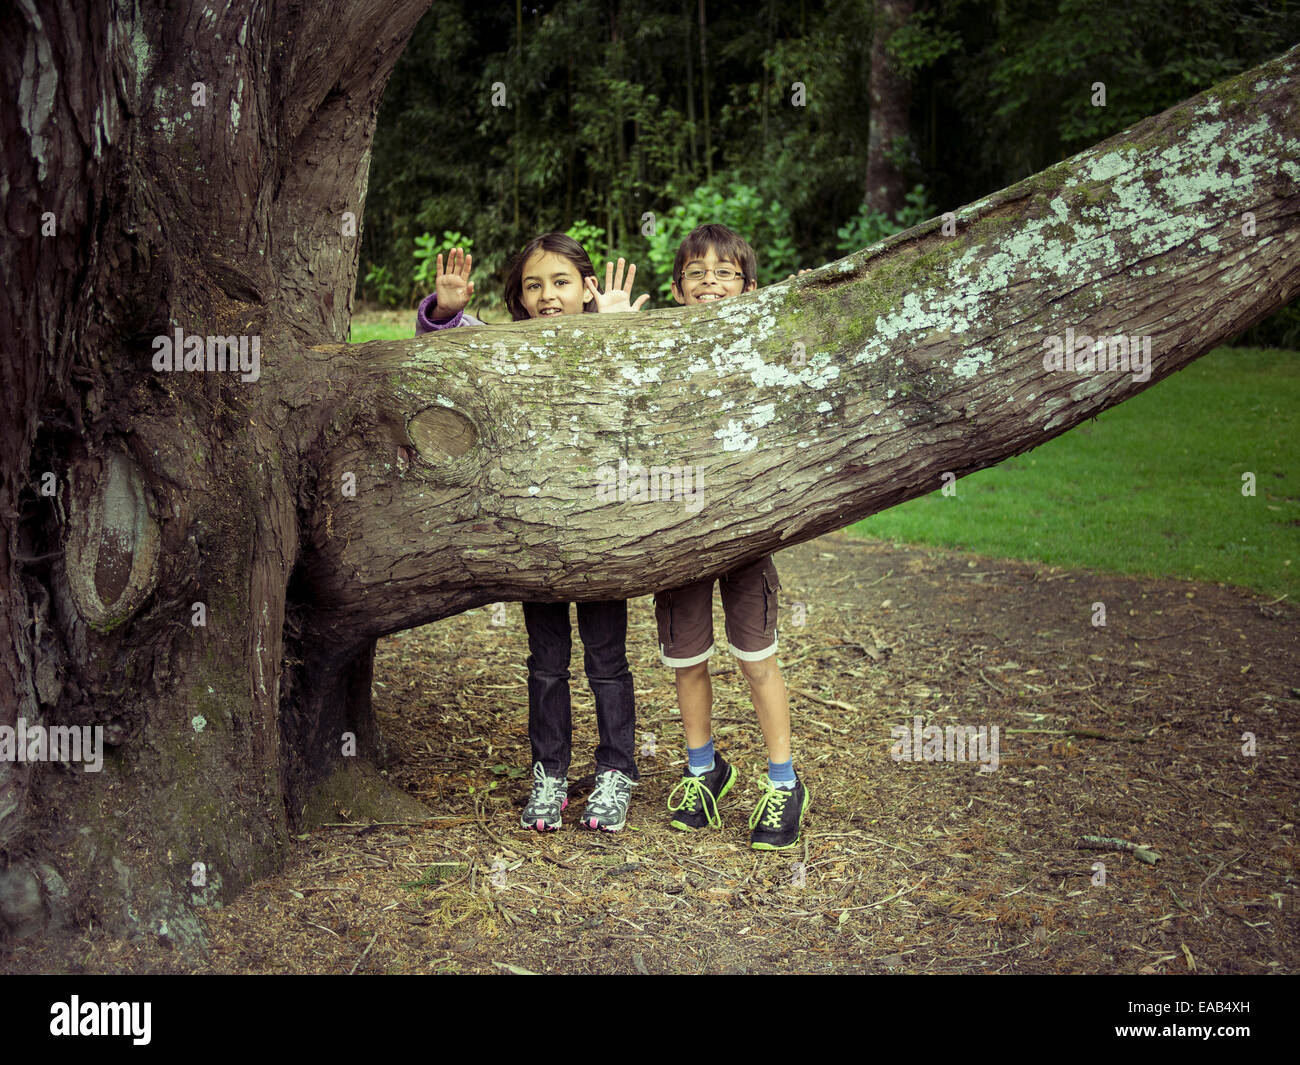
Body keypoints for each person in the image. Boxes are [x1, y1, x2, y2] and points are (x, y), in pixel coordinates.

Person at [416, 235, 648, 832]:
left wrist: (615, 327)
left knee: (606, 660)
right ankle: (550, 774)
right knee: (546, 663)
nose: (548, 295)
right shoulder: (505, 345)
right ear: (518, 298)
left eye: (562, 282)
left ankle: (616, 772)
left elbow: (640, 398)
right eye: (534, 285)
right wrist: (444, 311)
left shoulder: (607, 337)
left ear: (587, 289)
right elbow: (450, 352)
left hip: (598, 533)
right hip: (535, 534)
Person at [656, 223, 810, 850]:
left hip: (744, 532)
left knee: (755, 658)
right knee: (687, 660)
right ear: (677, 287)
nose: (709, 283)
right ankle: (705, 770)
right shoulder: (658, 345)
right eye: (697, 272)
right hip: (679, 533)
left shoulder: (765, 348)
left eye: (724, 274)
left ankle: (783, 782)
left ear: (750, 289)